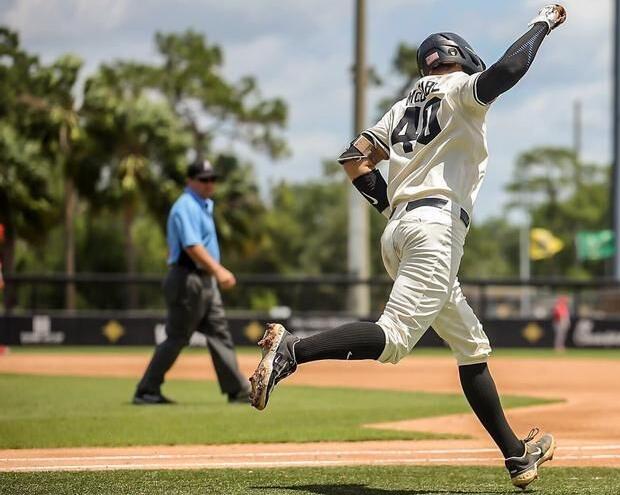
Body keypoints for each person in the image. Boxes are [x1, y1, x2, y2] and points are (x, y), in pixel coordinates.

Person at [249, 5, 567, 489]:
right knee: (394, 339)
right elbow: (507, 70)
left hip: (400, 229)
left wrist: (395, 206)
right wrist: (542, 24)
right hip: (436, 229)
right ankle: (294, 350)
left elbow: (353, 159)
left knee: (471, 345)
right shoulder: (460, 89)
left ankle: (517, 456)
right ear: (460, 56)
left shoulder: (400, 108)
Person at [133, 159, 251, 405]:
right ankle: (146, 390)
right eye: (203, 179)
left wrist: (214, 275)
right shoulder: (185, 205)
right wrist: (218, 270)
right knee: (177, 337)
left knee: (220, 334)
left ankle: (238, 390)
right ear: (190, 181)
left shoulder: (203, 205)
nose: (209, 184)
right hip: (188, 279)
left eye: (212, 179)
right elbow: (191, 245)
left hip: (205, 282)